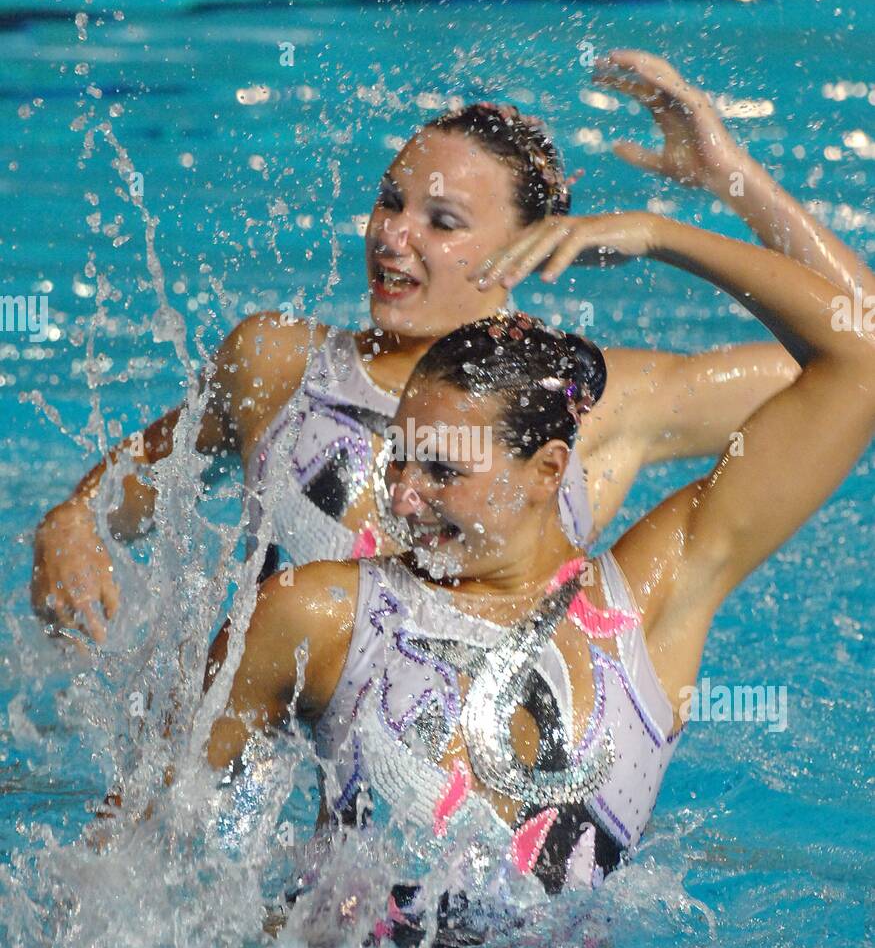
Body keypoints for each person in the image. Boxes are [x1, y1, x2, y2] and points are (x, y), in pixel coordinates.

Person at [200, 213, 874, 948]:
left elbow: (859, 355)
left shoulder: (648, 608)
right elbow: (144, 846)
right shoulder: (319, 612)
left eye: (441, 471)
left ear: (548, 469)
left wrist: (662, 234)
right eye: (398, 458)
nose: (399, 497)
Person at [31, 51, 869, 641]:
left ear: (528, 249)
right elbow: (127, 491)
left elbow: (860, 350)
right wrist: (68, 525)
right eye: (390, 202)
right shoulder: (276, 362)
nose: (393, 237)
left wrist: (728, 179)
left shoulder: (599, 405)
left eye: (441, 223)